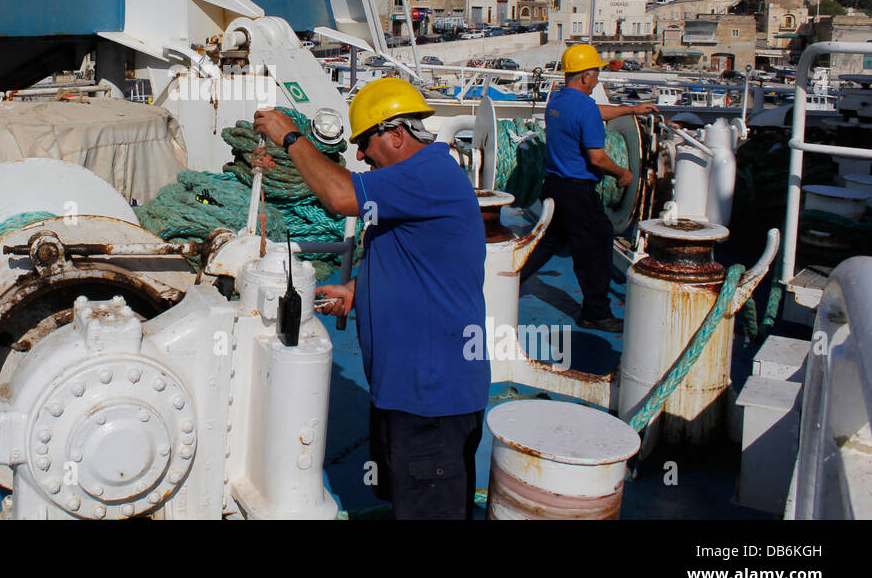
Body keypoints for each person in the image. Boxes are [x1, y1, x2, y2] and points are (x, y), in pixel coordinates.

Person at [253, 77, 487, 519]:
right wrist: (359, 292)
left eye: (364, 142)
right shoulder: (418, 179)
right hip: (405, 393)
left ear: (397, 134)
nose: (360, 155)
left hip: (431, 401)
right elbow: (416, 255)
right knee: (409, 500)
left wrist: (289, 136)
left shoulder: (427, 173)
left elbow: (340, 196)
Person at [518, 43, 658, 333]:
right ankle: (595, 312)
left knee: (549, 242)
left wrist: (630, 108)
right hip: (578, 192)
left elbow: (594, 112)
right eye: (595, 75)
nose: (597, 81)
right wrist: (623, 174)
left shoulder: (557, 101)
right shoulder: (586, 108)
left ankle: (508, 283)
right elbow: (598, 158)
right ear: (585, 77)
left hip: (554, 187)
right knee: (597, 243)